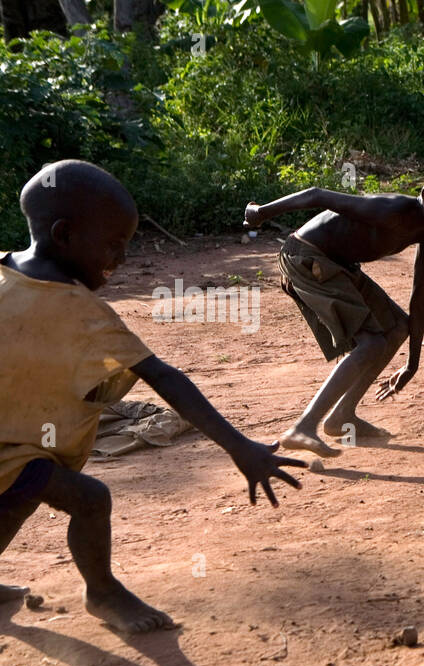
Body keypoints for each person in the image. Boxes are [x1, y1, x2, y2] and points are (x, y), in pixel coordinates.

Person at [0, 160, 303, 633]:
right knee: (89, 499)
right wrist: (238, 446)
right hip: (14, 448)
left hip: (17, 448)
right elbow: (165, 377)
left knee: (21, 492)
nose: (121, 258)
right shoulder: (85, 313)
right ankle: (102, 593)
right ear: (64, 235)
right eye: (114, 244)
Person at [244, 161, 424, 457]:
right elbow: (317, 195)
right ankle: (303, 427)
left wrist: (413, 363)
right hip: (305, 256)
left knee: (397, 327)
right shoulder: (390, 209)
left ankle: (342, 415)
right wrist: (260, 213)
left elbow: (420, 297)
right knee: (371, 342)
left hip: (339, 266)